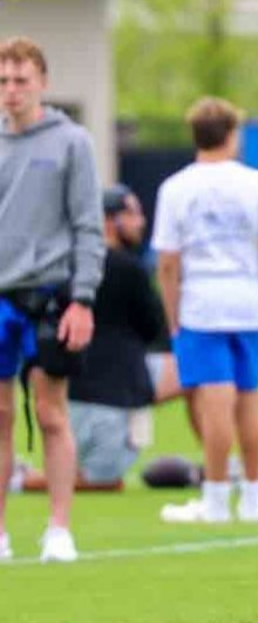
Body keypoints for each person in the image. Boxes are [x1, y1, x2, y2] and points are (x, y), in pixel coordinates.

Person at [153, 96, 258, 525]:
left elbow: (169, 262)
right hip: (247, 303)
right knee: (247, 401)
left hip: (202, 305)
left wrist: (172, 313)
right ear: (231, 134)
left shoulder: (175, 189)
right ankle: (252, 497)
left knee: (215, 405)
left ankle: (214, 497)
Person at [0, 36, 104, 563]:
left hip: (50, 294)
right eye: (3, 81)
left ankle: (58, 528)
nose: (11, 91)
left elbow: (89, 226)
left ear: (41, 80)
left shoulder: (72, 142)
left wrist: (82, 299)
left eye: (20, 80)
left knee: (51, 413)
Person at [13, 186, 180, 493]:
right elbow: (153, 328)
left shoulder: (59, 263)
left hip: (65, 391)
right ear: (106, 220)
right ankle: (17, 480)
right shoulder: (129, 268)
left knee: (197, 372)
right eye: (131, 214)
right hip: (110, 399)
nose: (140, 222)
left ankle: (212, 472)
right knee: (103, 481)